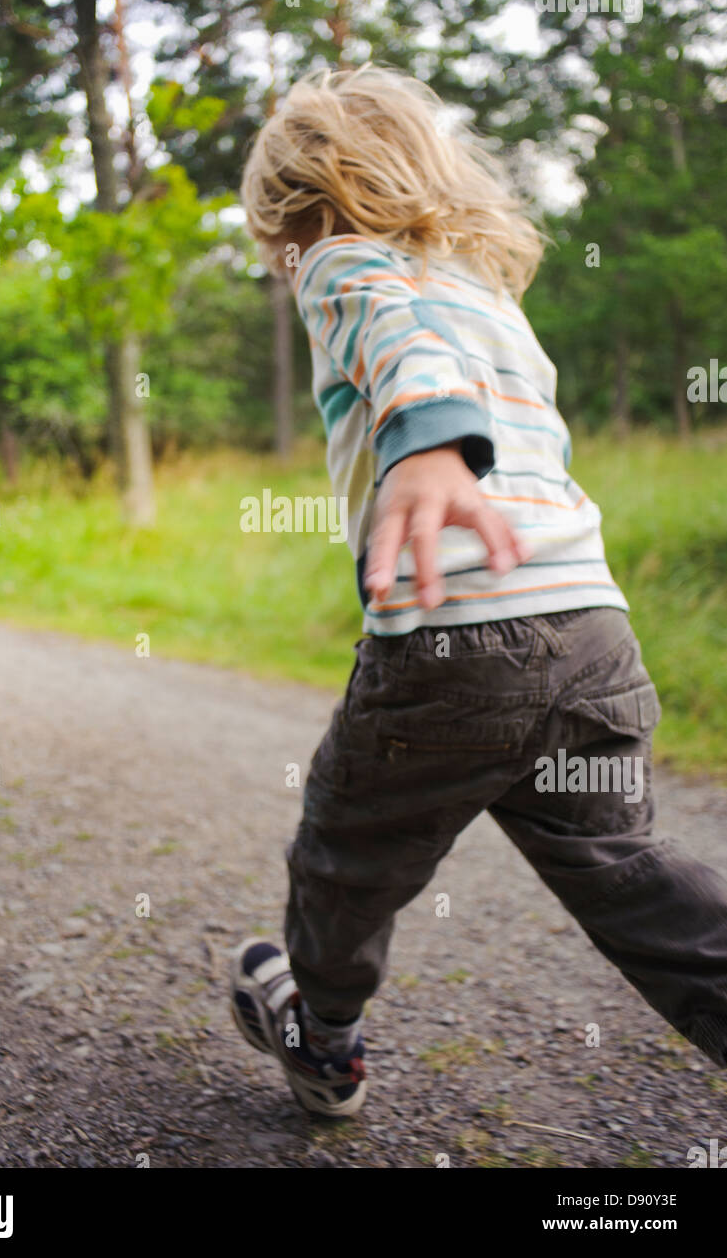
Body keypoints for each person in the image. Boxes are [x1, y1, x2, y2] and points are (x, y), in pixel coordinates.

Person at [229, 62, 727, 1117]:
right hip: (592, 632)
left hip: (455, 646)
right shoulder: (491, 296)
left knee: (345, 847)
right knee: (620, 862)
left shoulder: (337, 259)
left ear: (294, 208)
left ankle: (322, 1038)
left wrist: (424, 443)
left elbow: (393, 342)